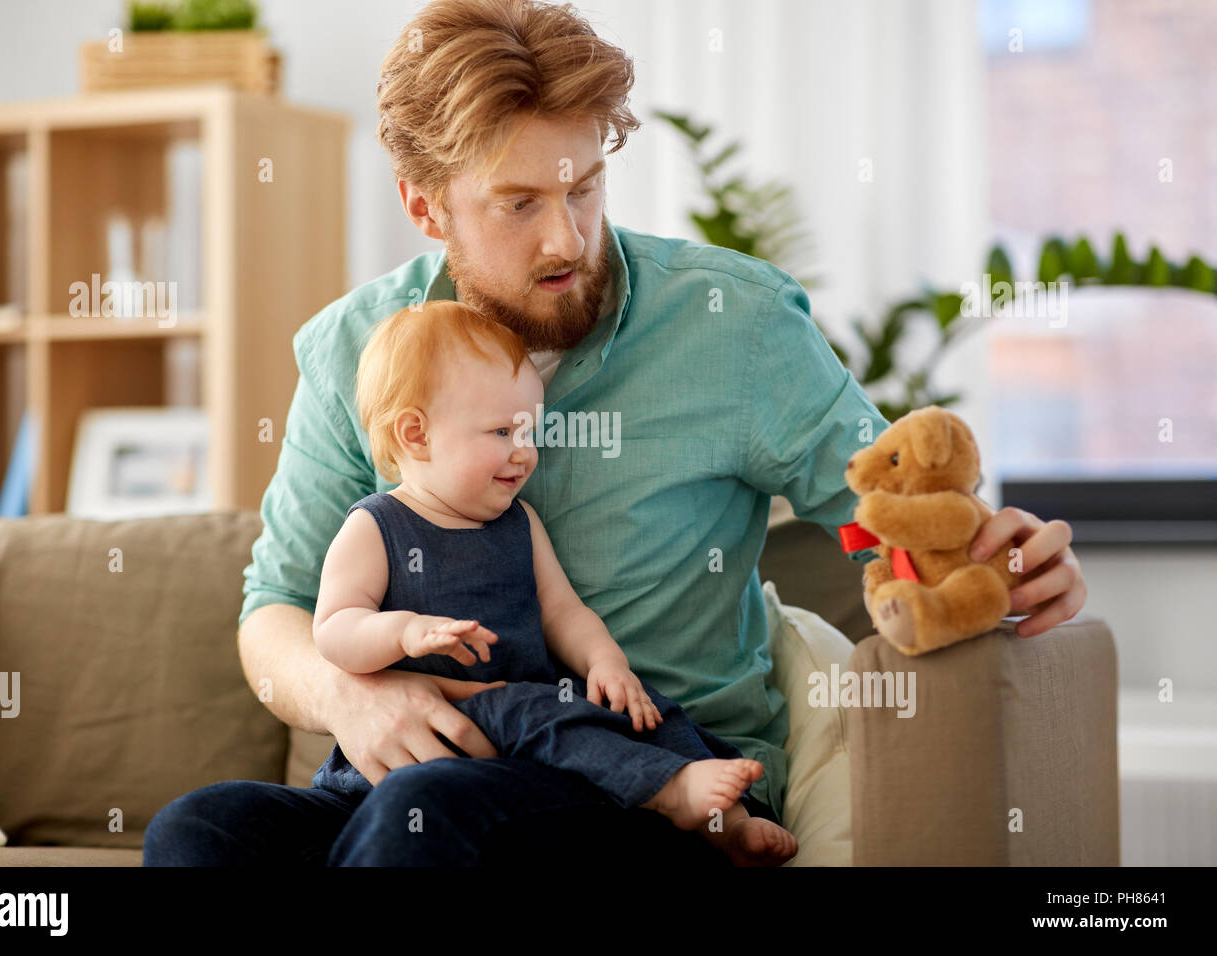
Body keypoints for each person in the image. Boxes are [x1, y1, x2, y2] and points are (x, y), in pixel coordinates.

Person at [143, 0, 1087, 867]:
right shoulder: (357, 347)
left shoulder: (735, 324)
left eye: (585, 188)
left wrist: (998, 564)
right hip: (412, 780)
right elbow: (273, 612)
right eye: (519, 204)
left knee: (421, 821)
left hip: (655, 788)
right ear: (424, 206)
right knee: (201, 833)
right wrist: (352, 697)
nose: (568, 240)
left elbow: (887, 516)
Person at [309, 300, 798, 865]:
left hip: (528, 716)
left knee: (644, 710)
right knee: (539, 712)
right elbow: (335, 629)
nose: (526, 454)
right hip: (436, 727)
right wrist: (404, 633)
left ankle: (728, 822)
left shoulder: (520, 523)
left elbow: (562, 612)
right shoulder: (376, 525)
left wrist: (607, 664)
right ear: (416, 435)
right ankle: (672, 794)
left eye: (530, 433)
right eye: (501, 432)